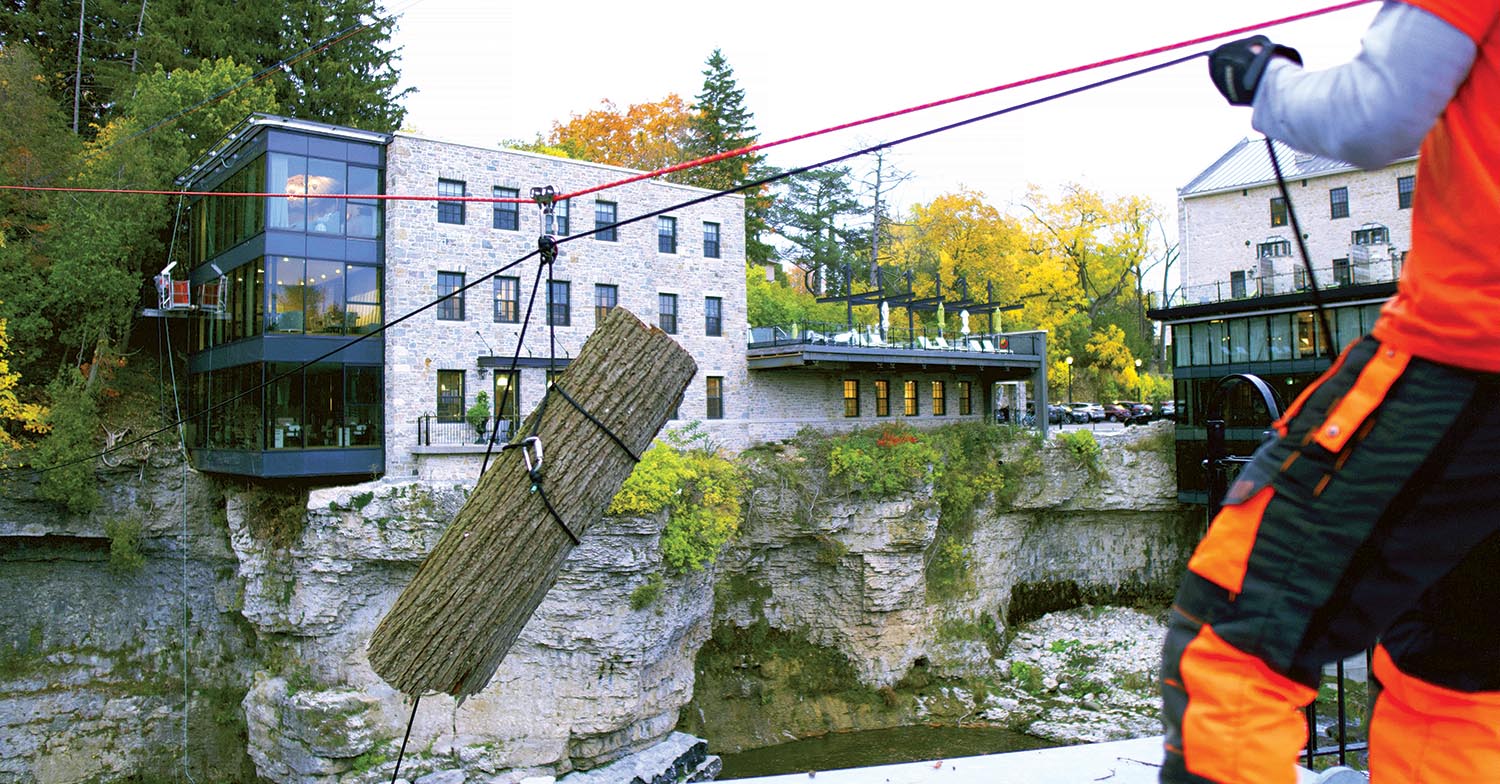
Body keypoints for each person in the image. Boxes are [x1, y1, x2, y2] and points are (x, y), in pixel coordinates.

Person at [1160, 3, 1500, 783]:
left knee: (1232, 645)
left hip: (1468, 354)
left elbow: (1379, 114)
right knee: (1462, 671)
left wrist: (1265, 82)